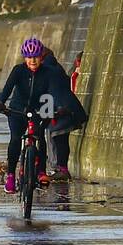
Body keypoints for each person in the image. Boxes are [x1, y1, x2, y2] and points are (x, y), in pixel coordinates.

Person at [0, 37, 56, 193]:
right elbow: (7, 89)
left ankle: (41, 172)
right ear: (24, 57)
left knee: (40, 137)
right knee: (15, 138)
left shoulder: (48, 73)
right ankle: (11, 176)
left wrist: (55, 109)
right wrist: (1, 103)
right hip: (17, 110)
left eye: (36, 57)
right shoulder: (18, 70)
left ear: (41, 57)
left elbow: (52, 93)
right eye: (29, 57)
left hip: (38, 110)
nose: (32, 60)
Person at [40, 47, 87, 181]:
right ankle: (60, 168)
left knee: (57, 135)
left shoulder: (46, 69)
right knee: (59, 136)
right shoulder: (56, 67)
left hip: (61, 108)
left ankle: (61, 169)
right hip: (67, 107)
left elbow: (46, 91)